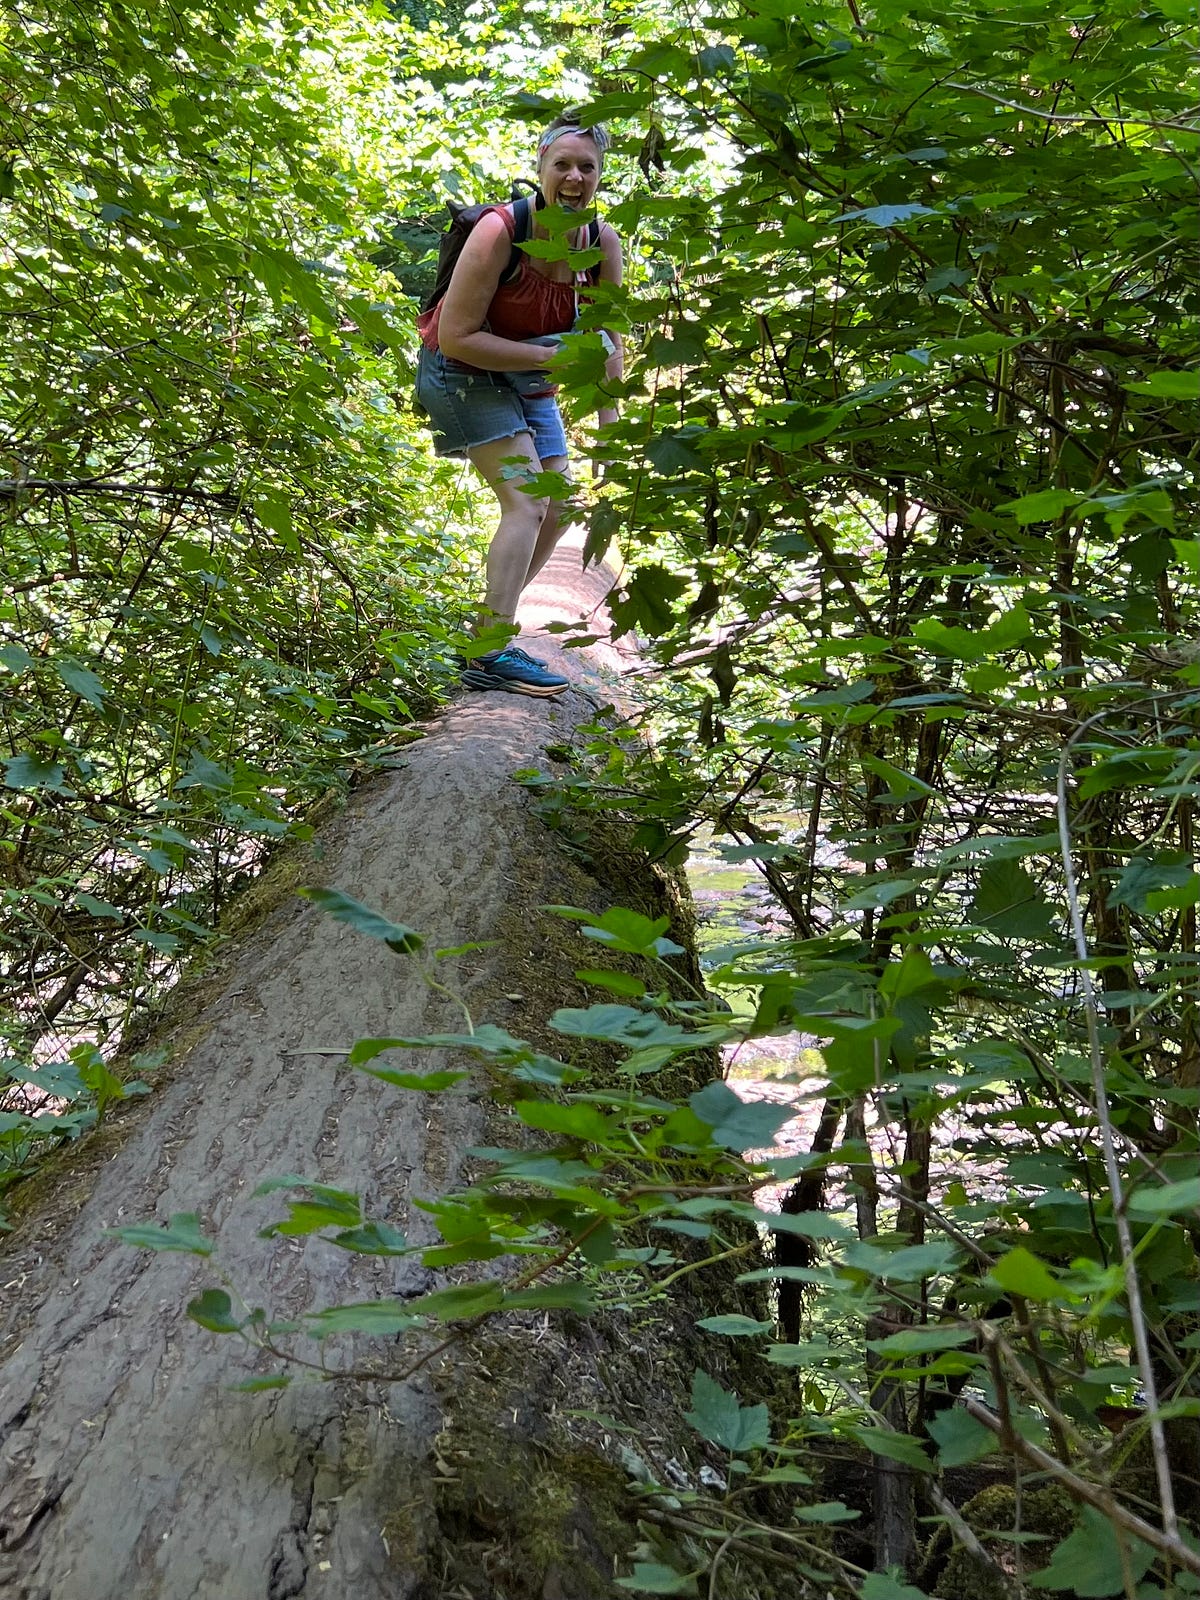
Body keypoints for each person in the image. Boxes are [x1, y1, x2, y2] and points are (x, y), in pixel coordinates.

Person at [415, 114, 623, 698]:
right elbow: (456, 336)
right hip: (460, 371)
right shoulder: (500, 233)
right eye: (563, 164)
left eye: (587, 166)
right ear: (540, 169)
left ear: (601, 175)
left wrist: (612, 434)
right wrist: (549, 362)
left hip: (528, 376)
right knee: (528, 501)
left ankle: (484, 634)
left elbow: (608, 338)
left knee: (558, 507)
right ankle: (491, 653)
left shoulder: (601, 241)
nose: (575, 176)